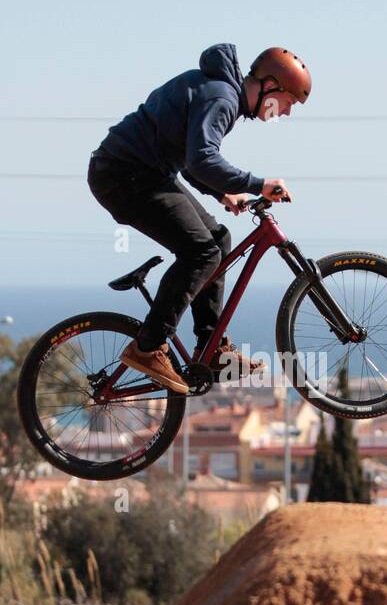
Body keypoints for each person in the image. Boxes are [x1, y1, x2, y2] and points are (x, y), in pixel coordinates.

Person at [87, 43, 311, 394]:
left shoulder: (223, 95)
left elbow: (189, 158)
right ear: (270, 86)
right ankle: (148, 347)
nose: (286, 113)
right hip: (125, 175)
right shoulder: (222, 97)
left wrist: (223, 193)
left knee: (218, 239)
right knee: (202, 252)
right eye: (289, 102)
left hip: (141, 173)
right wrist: (258, 184)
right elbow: (202, 159)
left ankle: (213, 351)